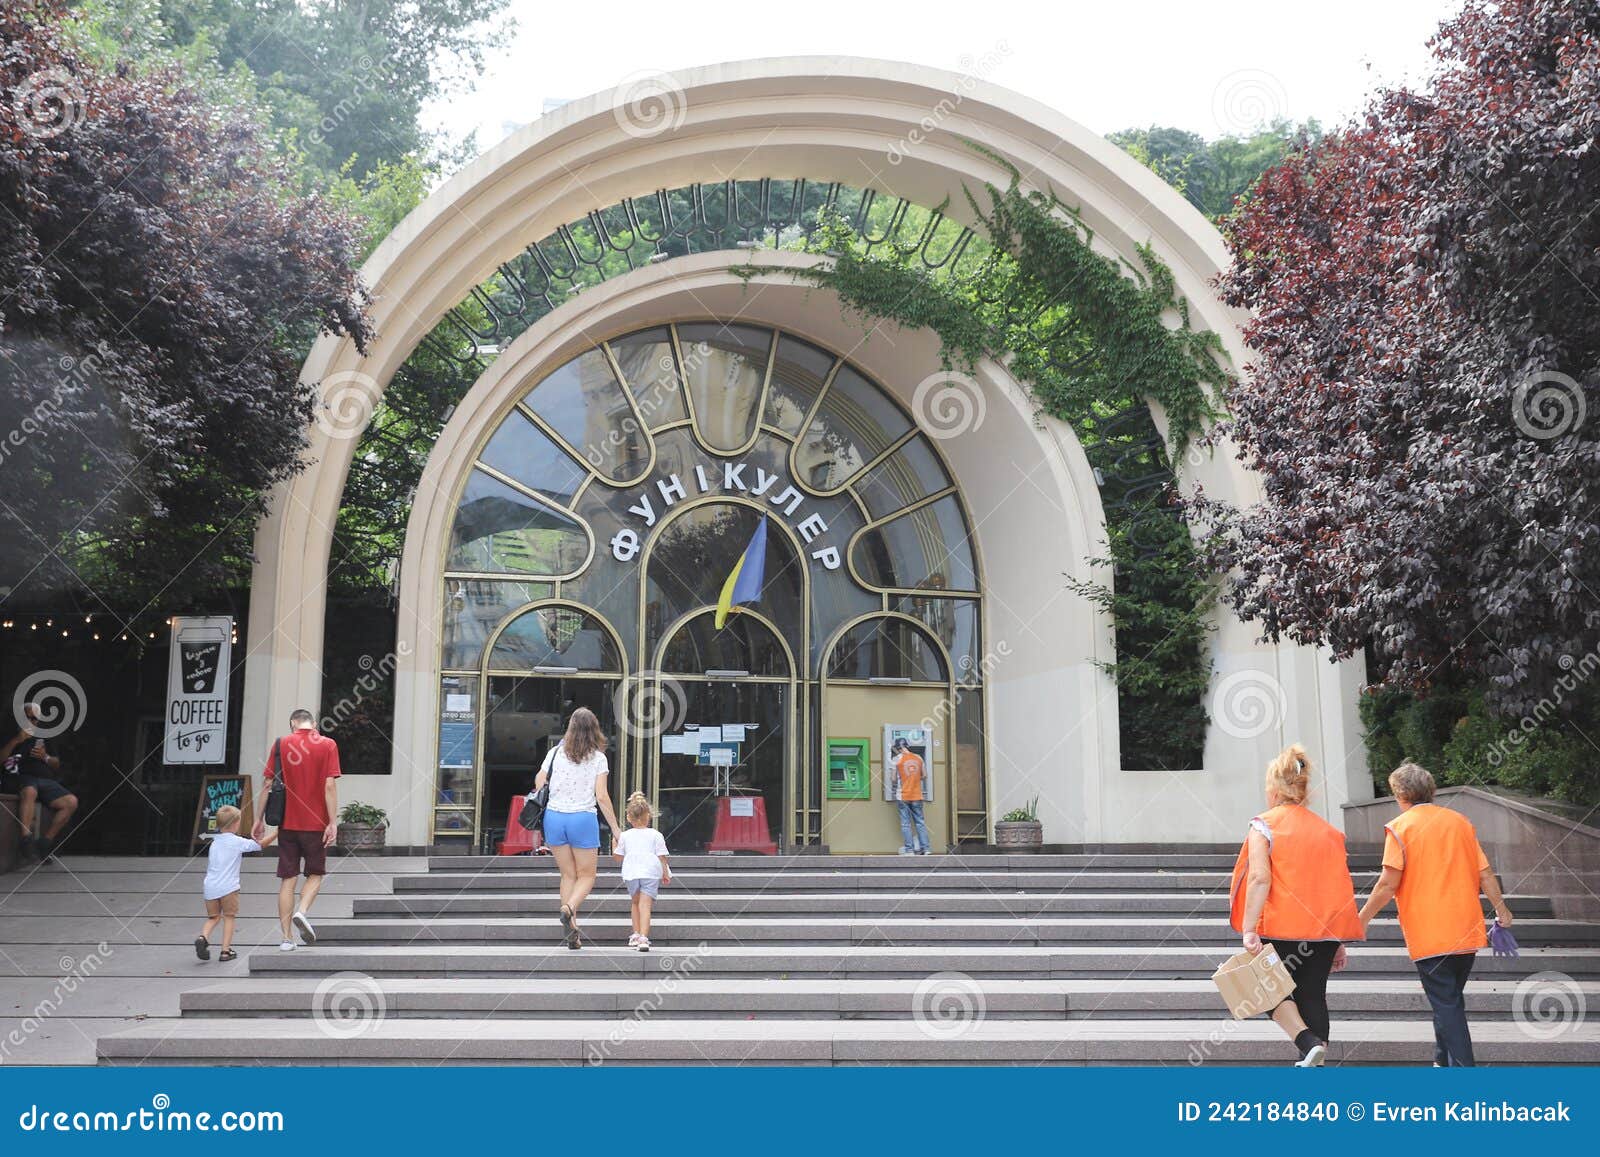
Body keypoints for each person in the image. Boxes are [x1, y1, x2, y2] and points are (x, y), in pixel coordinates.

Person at [1357, 762, 1513, 1067]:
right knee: (1448, 1000)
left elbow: (1387, 885)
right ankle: (1442, 1061)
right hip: (1466, 929)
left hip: (1430, 933)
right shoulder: (1460, 823)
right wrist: (1502, 909)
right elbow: (1485, 874)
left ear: (1400, 795)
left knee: (1447, 1003)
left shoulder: (1400, 828)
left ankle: (1465, 1072)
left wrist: (1360, 919)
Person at [1228, 744, 1363, 1067]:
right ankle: (1313, 1062)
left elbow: (1260, 878)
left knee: (1261, 986)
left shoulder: (1264, 825)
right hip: (1324, 931)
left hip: (1283, 926)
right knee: (1312, 995)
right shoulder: (1329, 832)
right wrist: (1339, 940)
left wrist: (1249, 930)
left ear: (1274, 791)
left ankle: (1307, 1042)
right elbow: (1339, 884)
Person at [533, 707, 622, 949]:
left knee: (568, 875)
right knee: (587, 876)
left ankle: (572, 931)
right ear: (594, 730)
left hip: (554, 818)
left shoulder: (555, 753)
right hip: (582, 818)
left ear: (571, 728)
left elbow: (540, 781)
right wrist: (615, 829)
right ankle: (569, 909)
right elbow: (602, 796)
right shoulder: (598, 758)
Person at [261, 708, 340, 952]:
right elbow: (329, 786)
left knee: (288, 879)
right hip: (315, 824)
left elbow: (266, 784)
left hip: (287, 824)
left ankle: (286, 938)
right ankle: (302, 912)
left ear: (292, 724)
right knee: (315, 873)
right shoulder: (327, 744)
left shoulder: (281, 744)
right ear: (313, 724)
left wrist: (257, 820)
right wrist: (332, 821)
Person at [194, 804, 277, 963]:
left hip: (210, 887)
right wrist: (277, 833)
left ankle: (202, 937)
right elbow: (259, 846)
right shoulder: (236, 841)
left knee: (214, 918)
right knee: (229, 917)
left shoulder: (215, 843)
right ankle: (225, 951)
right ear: (235, 824)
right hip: (228, 888)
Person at [1, 702, 79, 862]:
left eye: (35, 719)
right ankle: (26, 840)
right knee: (30, 791)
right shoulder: (8, 734)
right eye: (28, 718)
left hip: (45, 779)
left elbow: (57, 763)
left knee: (71, 801)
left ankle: (44, 843)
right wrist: (16, 740)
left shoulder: (44, 735)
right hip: (20, 777)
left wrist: (45, 757)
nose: (32, 722)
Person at [613, 791, 671, 951]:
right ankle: (644, 938)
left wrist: (613, 845)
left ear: (628, 818)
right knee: (645, 905)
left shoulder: (624, 836)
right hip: (651, 872)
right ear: (649, 817)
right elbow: (661, 856)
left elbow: (618, 858)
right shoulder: (656, 835)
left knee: (635, 903)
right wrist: (665, 873)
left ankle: (636, 934)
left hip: (631, 872)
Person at [891, 737, 930, 855]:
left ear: (898, 748)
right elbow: (925, 775)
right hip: (917, 795)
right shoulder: (918, 758)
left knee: (905, 823)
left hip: (903, 796)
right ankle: (926, 849)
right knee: (920, 822)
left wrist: (898, 781)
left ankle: (909, 850)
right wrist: (914, 779)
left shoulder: (896, 759)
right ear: (907, 746)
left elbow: (893, 779)